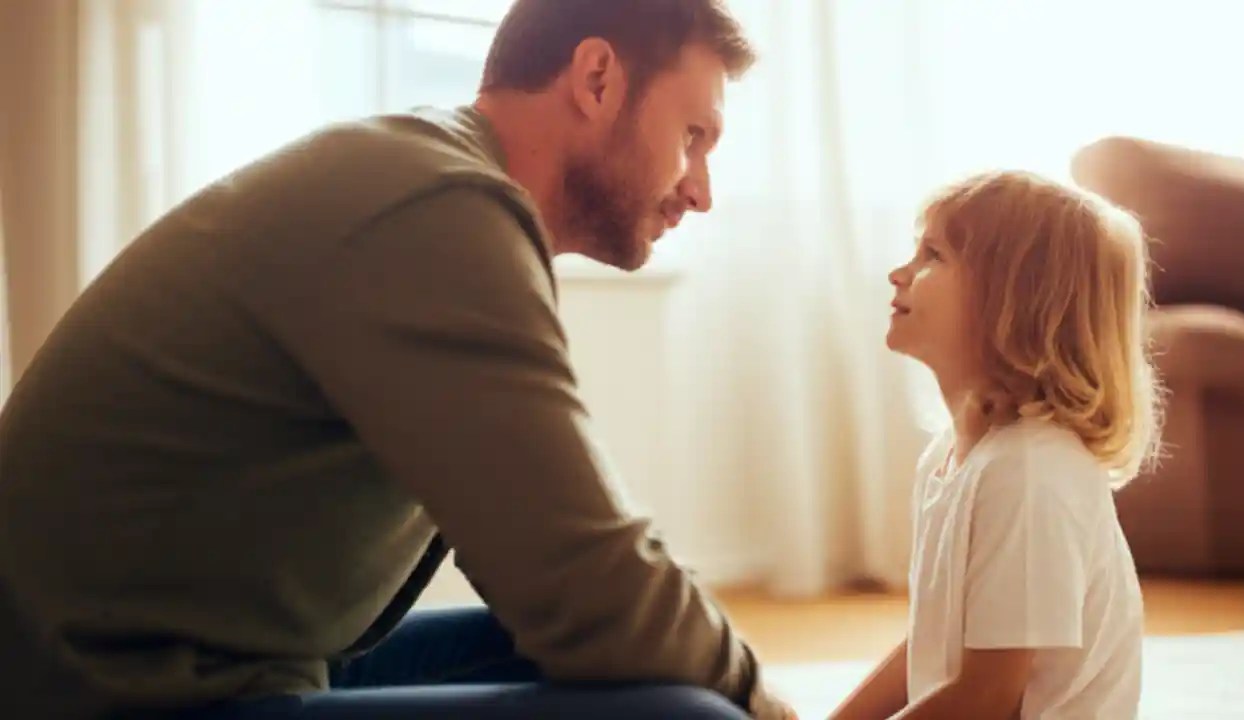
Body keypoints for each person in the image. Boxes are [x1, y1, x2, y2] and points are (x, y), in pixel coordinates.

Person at [0, 1, 795, 718]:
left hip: (220, 662)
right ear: (596, 78)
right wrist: (771, 709)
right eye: (693, 137)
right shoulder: (436, 205)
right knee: (685, 717)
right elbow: (587, 583)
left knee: (645, 667)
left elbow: (545, 559)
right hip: (113, 693)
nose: (701, 191)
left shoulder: (429, 182)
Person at [829, 171, 1162, 719]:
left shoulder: (1031, 472)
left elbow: (985, 696)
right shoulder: (950, 458)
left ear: (1011, 301)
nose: (899, 273)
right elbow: (933, 647)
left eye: (932, 255)